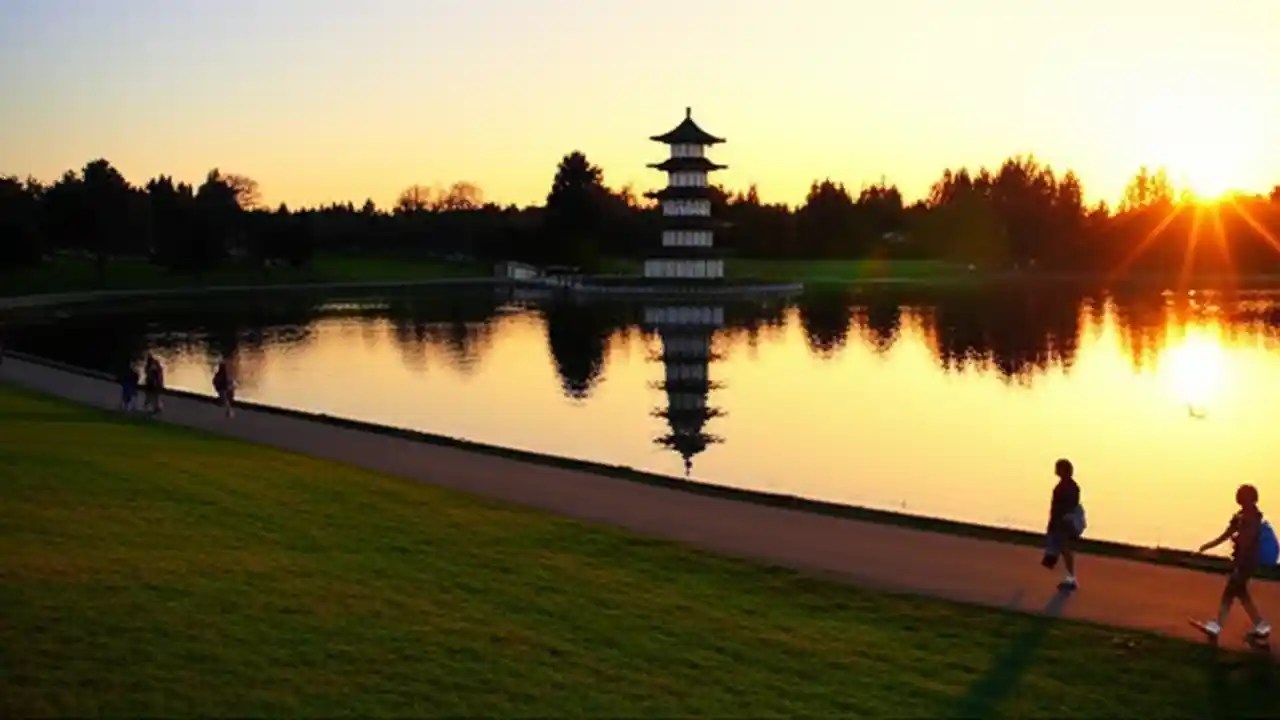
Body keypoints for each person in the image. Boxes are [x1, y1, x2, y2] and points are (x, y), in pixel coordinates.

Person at [1193, 484, 1271, 641]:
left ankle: (1217, 626)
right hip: (1246, 562)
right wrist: (1209, 545)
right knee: (1241, 593)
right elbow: (1226, 534)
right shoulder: (1242, 517)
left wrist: (1238, 566)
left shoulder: (1252, 519)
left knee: (1229, 593)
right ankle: (1261, 626)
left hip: (1246, 562)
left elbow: (1246, 543)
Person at [1042, 458, 1083, 590]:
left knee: (1065, 550)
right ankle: (1068, 577)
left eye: (1058, 468)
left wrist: (1061, 520)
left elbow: (1068, 506)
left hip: (1063, 523)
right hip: (1060, 522)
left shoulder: (1068, 487)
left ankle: (1071, 578)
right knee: (1062, 549)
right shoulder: (1068, 485)